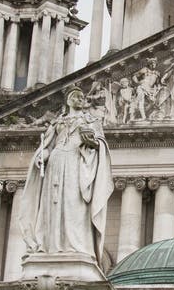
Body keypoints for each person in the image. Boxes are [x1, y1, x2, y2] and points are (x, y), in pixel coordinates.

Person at [19, 86, 114, 262]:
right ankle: (50, 245)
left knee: (74, 203)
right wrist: (42, 157)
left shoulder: (91, 121)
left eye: (81, 97)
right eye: (75, 96)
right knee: (53, 204)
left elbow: (100, 142)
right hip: (56, 163)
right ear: (68, 100)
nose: (79, 99)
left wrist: (92, 142)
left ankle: (77, 245)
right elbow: (49, 146)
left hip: (76, 164)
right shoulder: (57, 122)